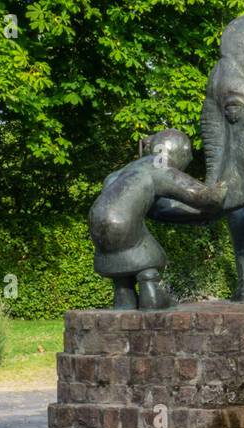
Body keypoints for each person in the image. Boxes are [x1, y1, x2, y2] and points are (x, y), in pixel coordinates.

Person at [89, 129, 225, 310]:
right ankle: (152, 296)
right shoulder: (159, 166)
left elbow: (159, 209)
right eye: (188, 156)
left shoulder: (124, 172)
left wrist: (195, 216)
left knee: (122, 278)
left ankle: (124, 299)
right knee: (147, 261)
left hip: (96, 223)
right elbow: (199, 195)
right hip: (123, 222)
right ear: (182, 152)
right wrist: (221, 191)